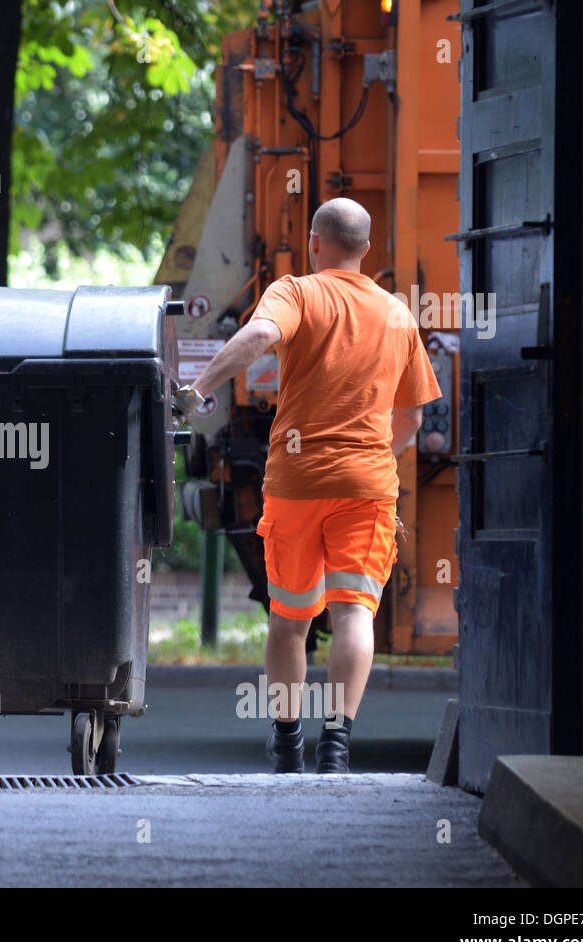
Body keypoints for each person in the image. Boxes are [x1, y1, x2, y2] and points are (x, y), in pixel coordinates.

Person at [175, 196, 441, 773]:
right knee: (354, 615)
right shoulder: (397, 314)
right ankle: (337, 746)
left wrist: (200, 387)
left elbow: (260, 336)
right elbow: (414, 419)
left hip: (295, 482)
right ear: (368, 250)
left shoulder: (295, 291)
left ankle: (288, 740)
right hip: (366, 484)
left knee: (290, 620)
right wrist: (373, 456)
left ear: (316, 242)